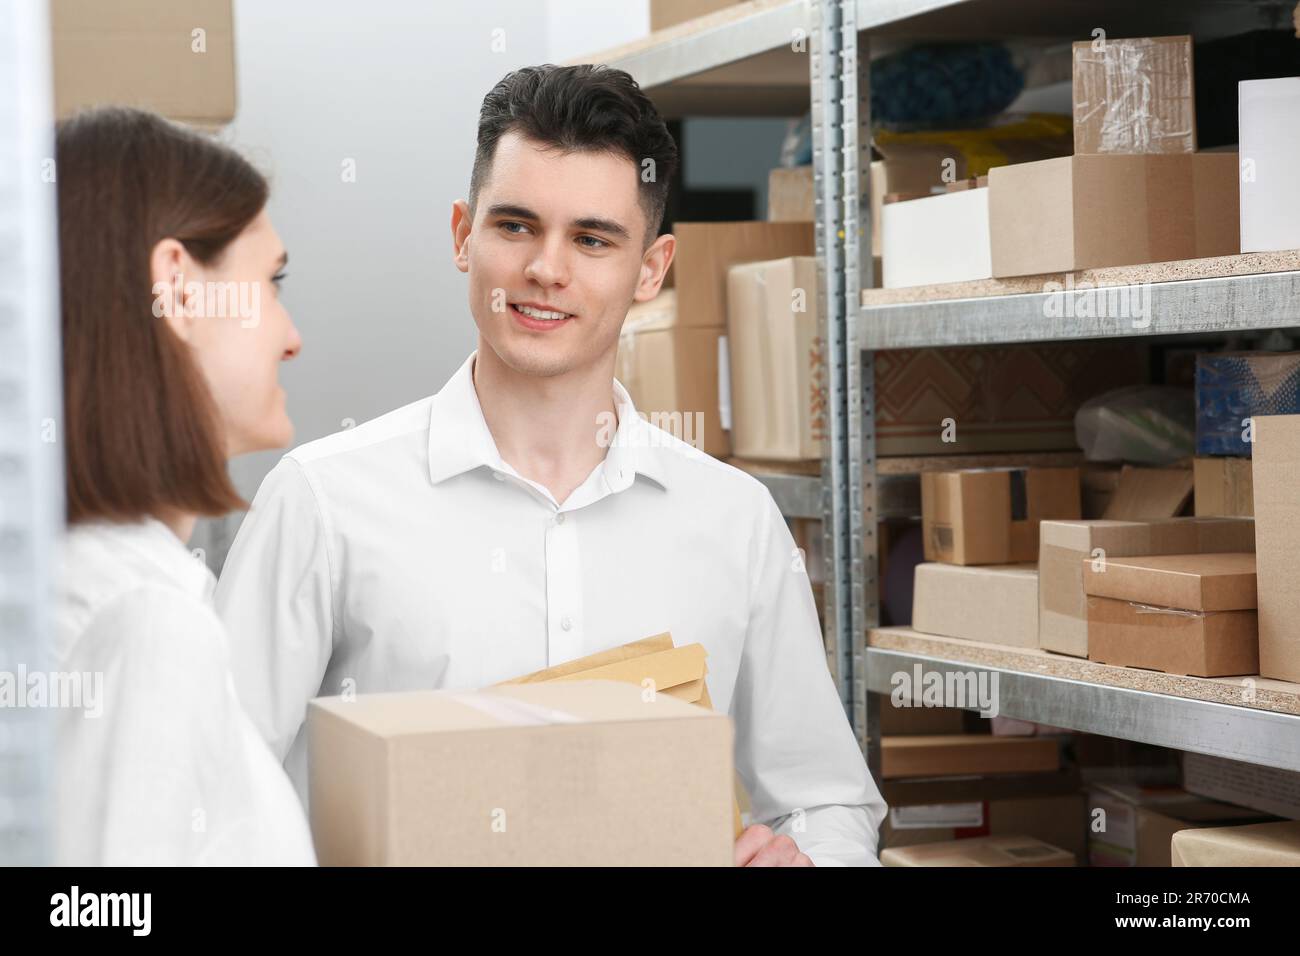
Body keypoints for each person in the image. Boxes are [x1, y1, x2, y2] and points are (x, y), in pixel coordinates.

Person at [216, 65, 887, 866]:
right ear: (463, 234)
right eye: (516, 226)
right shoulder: (324, 501)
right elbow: (210, 794)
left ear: (651, 268)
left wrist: (805, 857)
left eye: (593, 239)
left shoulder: (735, 520)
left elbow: (826, 800)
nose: (547, 270)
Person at [52, 107, 314, 865]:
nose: (292, 335)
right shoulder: (146, 624)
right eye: (272, 281)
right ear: (177, 288)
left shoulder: (92, 587)